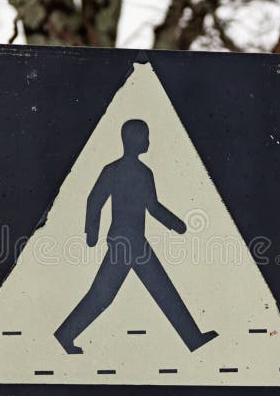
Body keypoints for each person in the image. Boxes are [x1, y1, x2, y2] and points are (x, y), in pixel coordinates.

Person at [54, 119, 218, 354]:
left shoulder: (117, 170)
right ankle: (64, 335)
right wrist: (176, 224)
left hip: (129, 241)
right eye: (146, 137)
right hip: (127, 244)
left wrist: (93, 232)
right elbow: (145, 207)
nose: (149, 141)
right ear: (135, 141)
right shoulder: (139, 172)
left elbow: (97, 201)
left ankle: (193, 338)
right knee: (107, 295)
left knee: (148, 291)